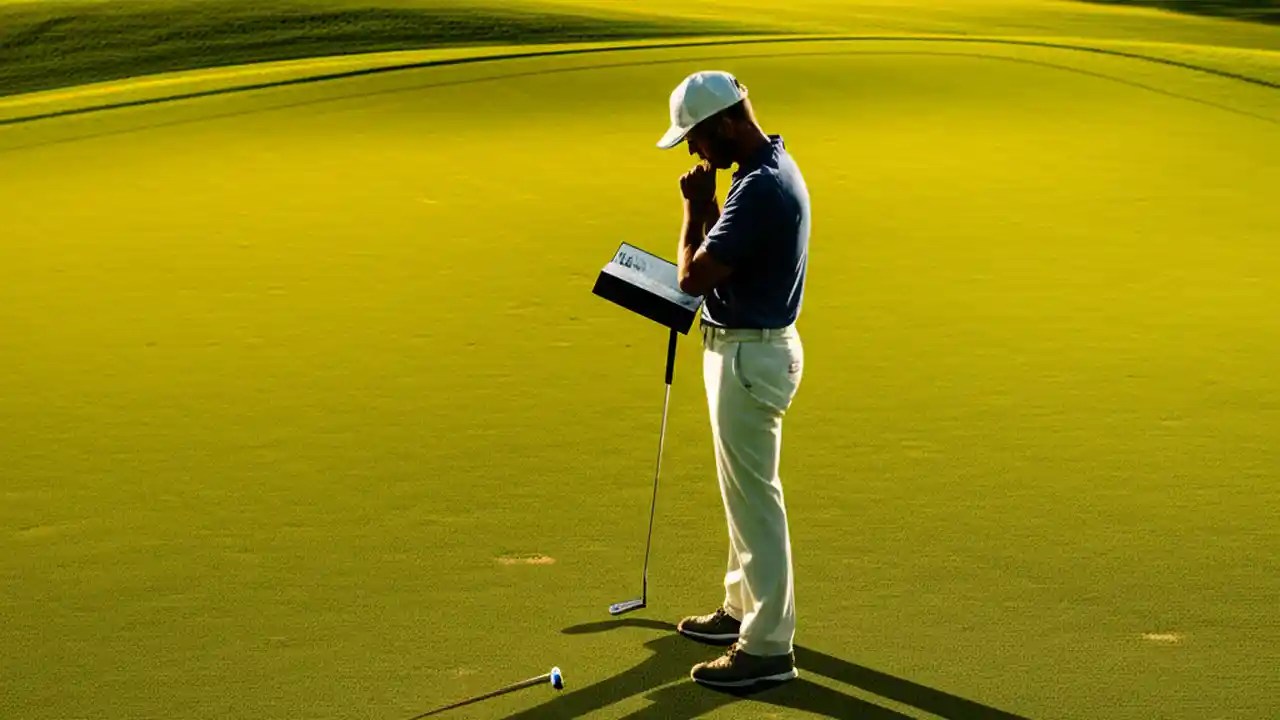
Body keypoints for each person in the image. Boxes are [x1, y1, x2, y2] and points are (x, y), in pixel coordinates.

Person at [655, 70, 811, 688]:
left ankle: (769, 646)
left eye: (695, 137)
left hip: (751, 356)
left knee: (756, 503)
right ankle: (741, 609)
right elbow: (728, 263)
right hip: (749, 349)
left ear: (724, 123)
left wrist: (694, 209)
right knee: (742, 496)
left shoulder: (758, 190)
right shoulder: (764, 170)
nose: (694, 151)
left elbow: (692, 277)